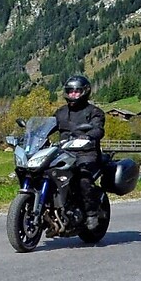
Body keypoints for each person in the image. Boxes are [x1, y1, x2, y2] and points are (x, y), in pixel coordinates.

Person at [53, 74, 105, 230]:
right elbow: (48, 126)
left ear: (85, 92)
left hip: (86, 153)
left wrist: (89, 136)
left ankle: (91, 213)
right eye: (70, 91)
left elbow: (98, 129)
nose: (72, 94)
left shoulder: (95, 112)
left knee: (83, 178)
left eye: (76, 91)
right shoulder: (61, 112)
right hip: (63, 152)